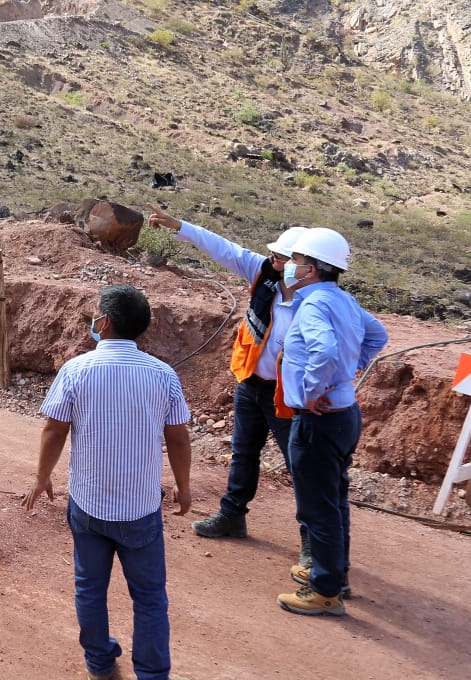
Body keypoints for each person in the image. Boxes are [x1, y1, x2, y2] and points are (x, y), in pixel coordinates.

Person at [24, 284, 192, 680]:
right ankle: (153, 674)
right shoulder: (162, 375)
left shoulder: (76, 370)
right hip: (141, 508)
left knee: (89, 588)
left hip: (88, 504)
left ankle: (100, 663)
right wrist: (184, 486)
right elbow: (178, 437)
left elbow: (54, 429)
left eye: (96, 313)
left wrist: (42, 477)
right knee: (150, 598)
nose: (92, 320)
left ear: (105, 322)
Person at [145, 207, 305, 548]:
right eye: (275, 256)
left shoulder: (316, 302)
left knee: (301, 467)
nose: (274, 262)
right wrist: (181, 227)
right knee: (244, 451)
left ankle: (314, 542)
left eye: (281, 259)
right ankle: (233, 515)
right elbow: (223, 248)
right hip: (251, 382)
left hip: (288, 394)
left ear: (304, 265)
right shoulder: (264, 274)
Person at [274, 227, 387, 616]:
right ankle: (334, 575)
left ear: (312, 269)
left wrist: (310, 391)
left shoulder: (313, 305)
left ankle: (325, 590)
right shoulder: (343, 300)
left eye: (297, 261)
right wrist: (345, 376)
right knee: (334, 501)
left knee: (318, 508)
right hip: (344, 415)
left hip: (317, 421)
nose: (291, 265)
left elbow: (323, 349)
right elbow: (378, 335)